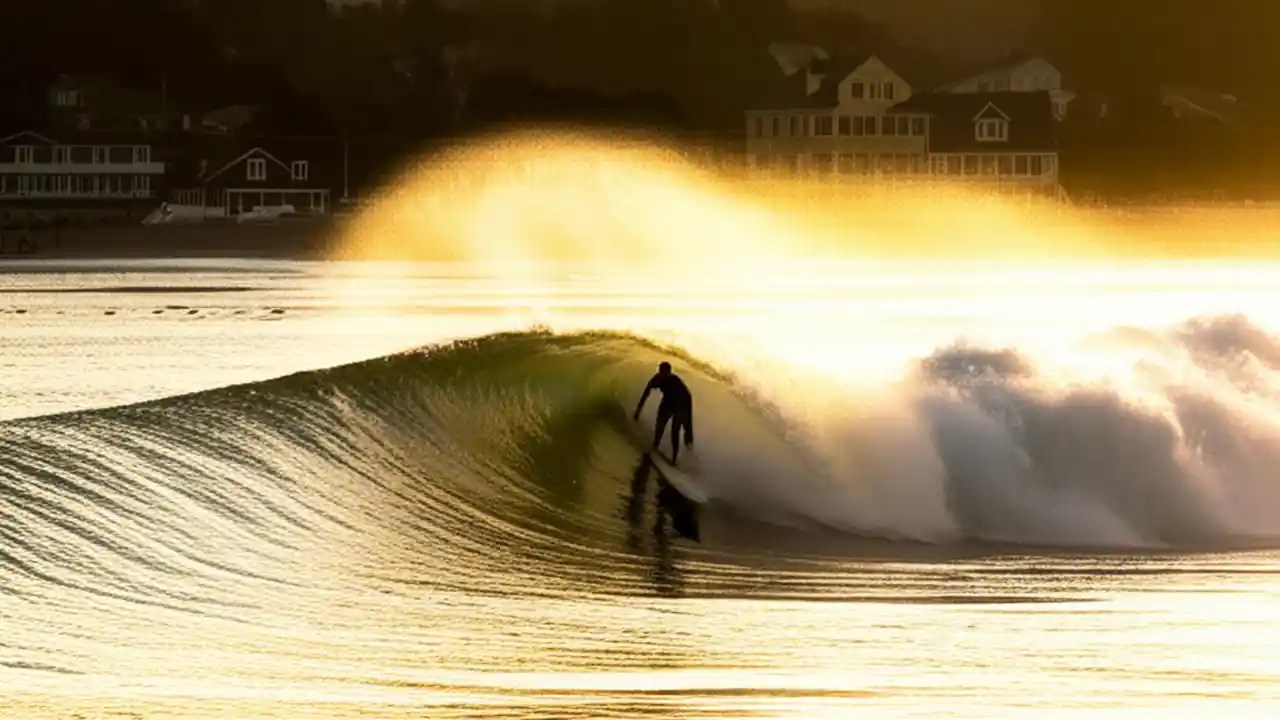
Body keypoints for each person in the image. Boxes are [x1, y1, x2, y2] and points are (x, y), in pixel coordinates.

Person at [633, 361, 694, 464]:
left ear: (669, 373)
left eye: (666, 373)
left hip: (682, 403)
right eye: (662, 372)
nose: (664, 375)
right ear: (659, 371)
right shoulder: (656, 379)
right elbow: (645, 394)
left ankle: (674, 459)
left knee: (676, 429)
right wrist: (638, 411)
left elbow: (687, 400)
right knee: (660, 423)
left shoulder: (675, 381)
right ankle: (655, 445)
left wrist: (686, 423)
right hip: (668, 401)